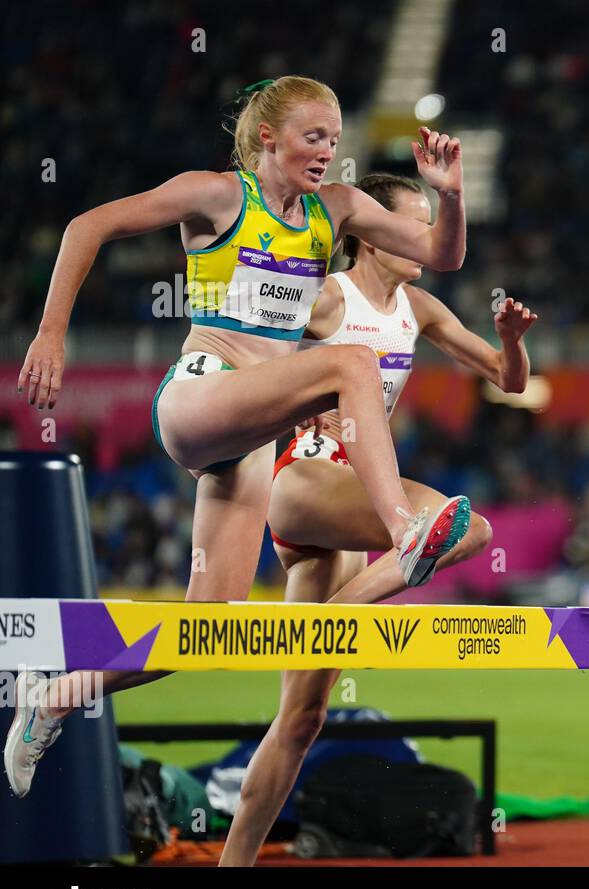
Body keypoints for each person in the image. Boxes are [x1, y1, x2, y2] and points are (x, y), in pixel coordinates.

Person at [6, 77, 473, 798]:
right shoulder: (218, 195)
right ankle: (402, 530)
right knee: (351, 360)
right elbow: (86, 227)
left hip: (249, 440)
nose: (327, 152)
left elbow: (442, 256)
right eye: (313, 137)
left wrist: (450, 194)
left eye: (335, 139)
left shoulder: (337, 210)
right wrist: (50, 333)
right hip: (197, 398)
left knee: (207, 630)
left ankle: (61, 695)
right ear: (267, 137)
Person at [221, 173, 537, 865]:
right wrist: (284, 398)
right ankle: (347, 611)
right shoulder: (330, 297)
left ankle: (232, 864)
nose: (423, 240)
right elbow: (241, 336)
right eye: (411, 225)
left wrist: (511, 340)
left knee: (302, 719)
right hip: (304, 481)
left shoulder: (419, 308)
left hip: (355, 506)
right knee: (469, 528)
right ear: (366, 233)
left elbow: (510, 382)